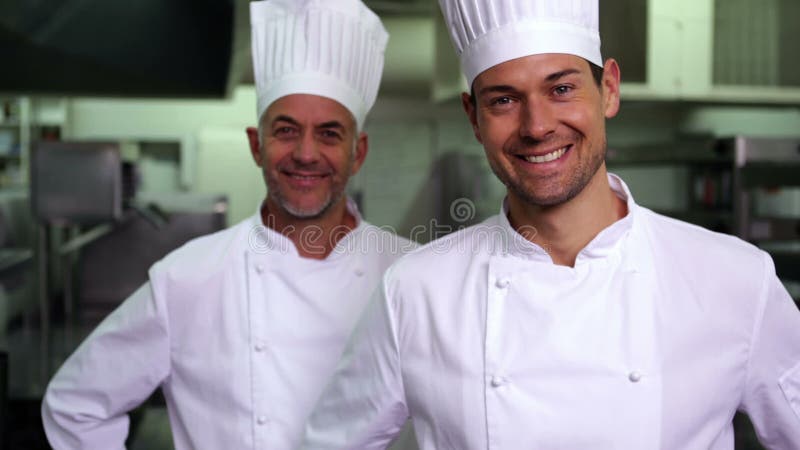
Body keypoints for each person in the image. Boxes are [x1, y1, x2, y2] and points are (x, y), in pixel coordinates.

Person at [300, 0, 800, 448]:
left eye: (561, 88)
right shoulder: (415, 290)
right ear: (473, 117)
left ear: (608, 90)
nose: (537, 126)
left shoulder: (735, 279)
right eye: (503, 100)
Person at [41, 1, 418, 449]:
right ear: (257, 145)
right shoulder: (189, 277)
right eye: (285, 130)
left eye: (330, 134)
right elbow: (75, 406)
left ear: (358, 153)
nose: (306, 153)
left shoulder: (411, 277)